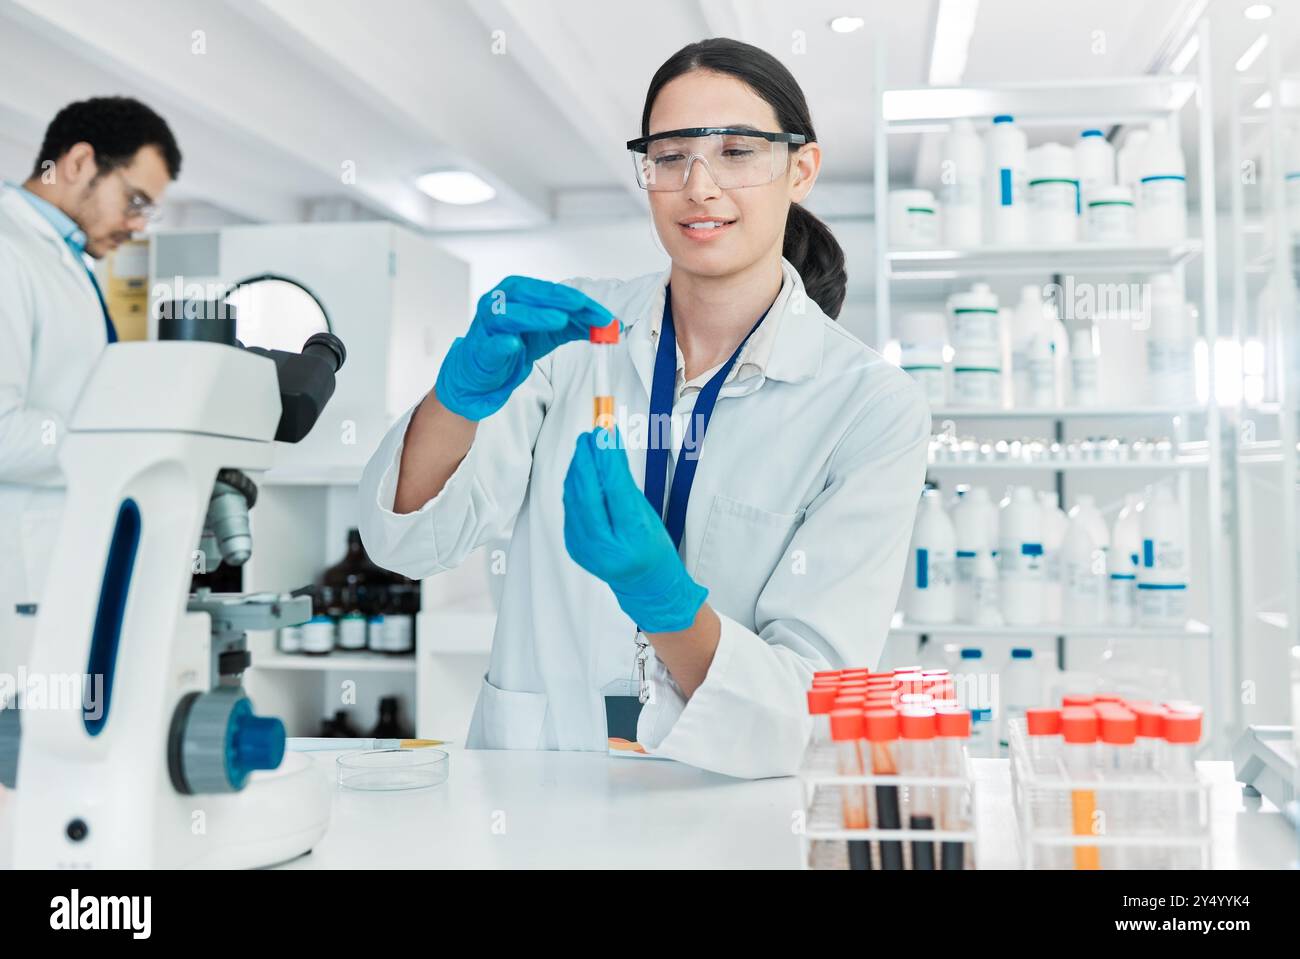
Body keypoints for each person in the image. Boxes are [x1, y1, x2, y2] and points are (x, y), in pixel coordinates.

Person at [359, 38, 928, 778]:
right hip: (536, 791)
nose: (699, 185)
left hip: (719, 806)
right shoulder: (569, 337)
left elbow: (807, 704)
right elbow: (405, 545)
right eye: (669, 156)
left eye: (736, 151)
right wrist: (456, 399)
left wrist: (665, 603)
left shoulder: (868, 405)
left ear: (801, 169)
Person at [0, 97, 181, 676]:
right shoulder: (8, 252)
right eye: (135, 201)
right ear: (78, 162)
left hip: (56, 574)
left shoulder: (63, 260)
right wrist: (127, 443)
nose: (136, 225)